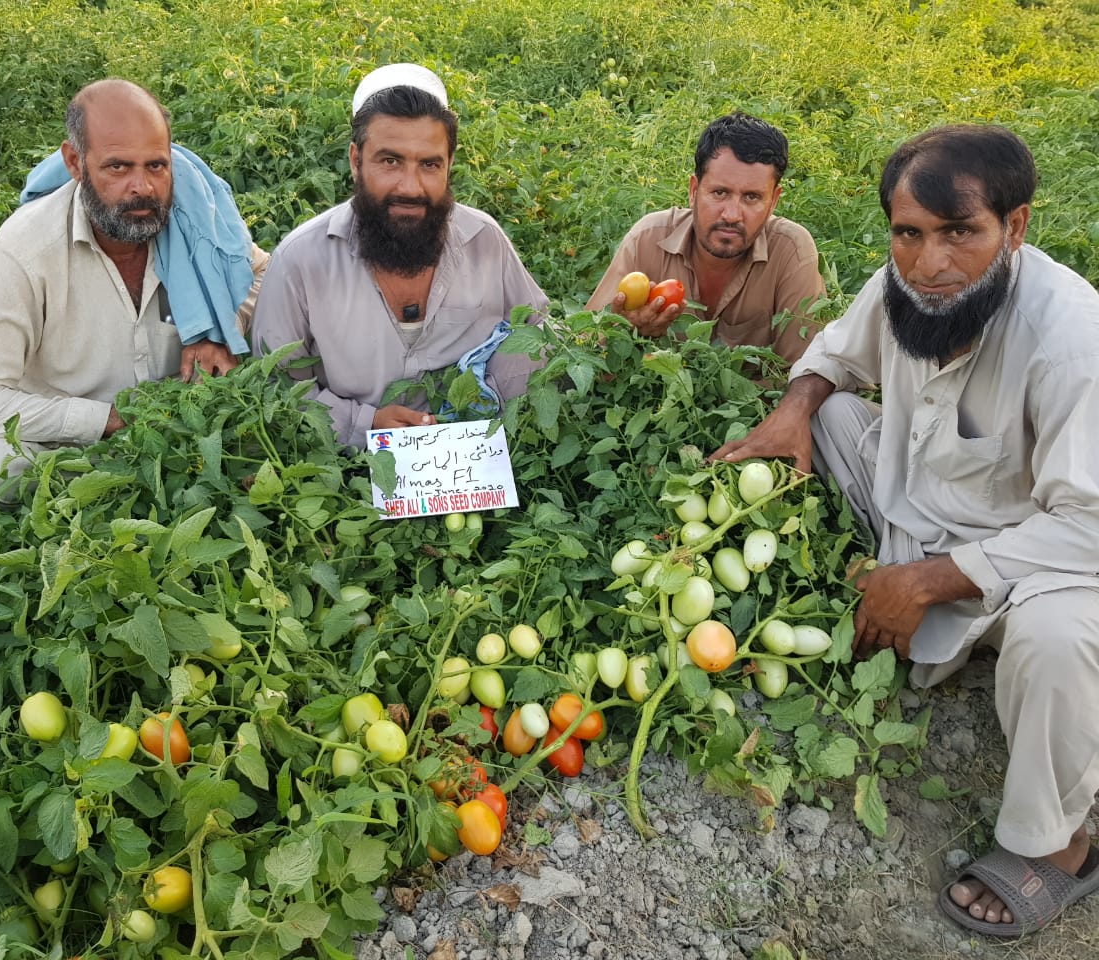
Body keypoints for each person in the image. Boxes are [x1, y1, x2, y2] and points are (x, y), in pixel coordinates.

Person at [711, 124, 1099, 937]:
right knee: (832, 414)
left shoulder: (1069, 341)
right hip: (911, 509)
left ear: (1015, 226)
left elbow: (1089, 524)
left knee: (1058, 639)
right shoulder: (903, 286)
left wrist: (919, 581)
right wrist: (792, 411)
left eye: (961, 233)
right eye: (909, 233)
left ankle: (1060, 846)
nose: (930, 264)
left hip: (1024, 557)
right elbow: (836, 357)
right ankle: (905, 591)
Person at [0, 78, 270, 482]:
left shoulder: (198, 223)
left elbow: (263, 273)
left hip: (180, 432)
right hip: (64, 445)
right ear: (75, 163)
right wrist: (104, 419)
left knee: (265, 436)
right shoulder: (28, 247)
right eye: (117, 167)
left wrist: (219, 330)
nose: (142, 188)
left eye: (156, 166)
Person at [250, 63, 548, 449]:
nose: (411, 187)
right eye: (390, 161)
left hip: (478, 469)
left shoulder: (484, 241)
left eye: (429, 164)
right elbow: (274, 387)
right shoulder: (300, 261)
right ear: (356, 161)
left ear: (449, 164)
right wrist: (364, 423)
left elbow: (537, 338)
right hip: (343, 475)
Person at [585, 112, 825, 363]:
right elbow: (586, 345)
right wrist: (623, 333)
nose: (732, 215)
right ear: (694, 190)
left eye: (751, 197)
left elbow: (803, 372)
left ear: (774, 201)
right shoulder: (647, 240)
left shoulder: (791, 251)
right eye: (720, 193)